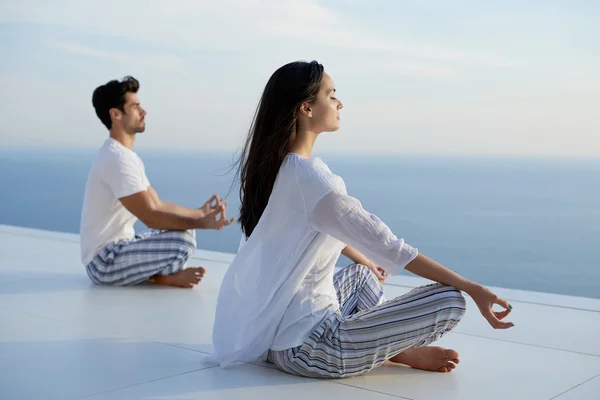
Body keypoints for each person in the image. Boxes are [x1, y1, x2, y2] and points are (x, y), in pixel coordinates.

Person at [212, 61, 514, 377]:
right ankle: (396, 352)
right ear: (306, 108)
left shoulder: (278, 169)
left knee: (363, 274)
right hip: (313, 350)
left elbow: (309, 230)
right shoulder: (314, 180)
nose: (339, 103)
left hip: (276, 333)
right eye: (330, 96)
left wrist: (362, 258)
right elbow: (391, 248)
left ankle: (385, 349)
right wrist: (472, 287)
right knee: (450, 299)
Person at [80, 76, 234, 288]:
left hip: (122, 246)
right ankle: (160, 278)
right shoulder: (116, 159)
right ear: (116, 114)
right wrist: (202, 223)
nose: (143, 111)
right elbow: (151, 217)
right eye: (135, 107)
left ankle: (159, 276)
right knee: (183, 241)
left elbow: (158, 204)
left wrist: (199, 213)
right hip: (105, 263)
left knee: (186, 230)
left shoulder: (124, 156)